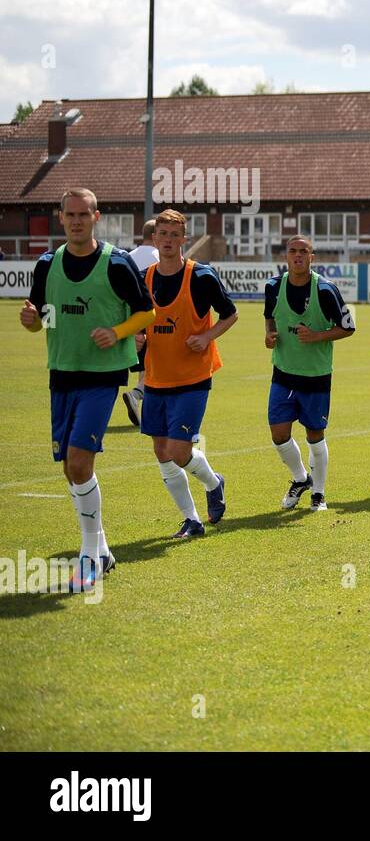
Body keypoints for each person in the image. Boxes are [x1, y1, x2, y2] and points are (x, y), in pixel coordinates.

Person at [20, 188, 155, 591]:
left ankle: (89, 557)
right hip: (61, 373)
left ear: (97, 217)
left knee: (80, 464)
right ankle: (104, 550)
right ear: (61, 218)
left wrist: (117, 333)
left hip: (102, 376)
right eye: (70, 215)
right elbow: (43, 319)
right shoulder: (47, 265)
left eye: (84, 214)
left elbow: (147, 311)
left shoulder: (116, 263)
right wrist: (29, 320)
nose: (76, 221)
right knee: (70, 469)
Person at [139, 210, 238, 538]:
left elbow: (230, 314)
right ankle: (191, 520)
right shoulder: (146, 278)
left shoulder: (201, 276)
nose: (167, 240)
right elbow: (139, 320)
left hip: (193, 378)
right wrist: (137, 335)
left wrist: (207, 336)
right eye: (162, 234)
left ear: (184, 239)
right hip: (155, 377)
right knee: (160, 451)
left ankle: (213, 482)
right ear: (154, 239)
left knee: (179, 452)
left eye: (173, 235)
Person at [264, 236, 356, 512]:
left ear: (312, 257)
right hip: (282, 373)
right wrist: (269, 334)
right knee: (278, 434)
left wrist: (318, 335)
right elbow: (269, 316)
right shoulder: (273, 286)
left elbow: (348, 327)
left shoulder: (326, 290)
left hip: (315, 376)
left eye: (304, 251)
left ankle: (319, 492)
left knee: (315, 435)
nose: (298, 256)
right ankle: (300, 478)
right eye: (293, 251)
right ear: (286, 256)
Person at [121, 218, 160, 426]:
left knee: (144, 368)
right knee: (156, 368)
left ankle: (138, 409)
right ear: (156, 235)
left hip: (130, 322)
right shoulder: (161, 257)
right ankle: (136, 395)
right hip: (154, 321)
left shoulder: (127, 257)